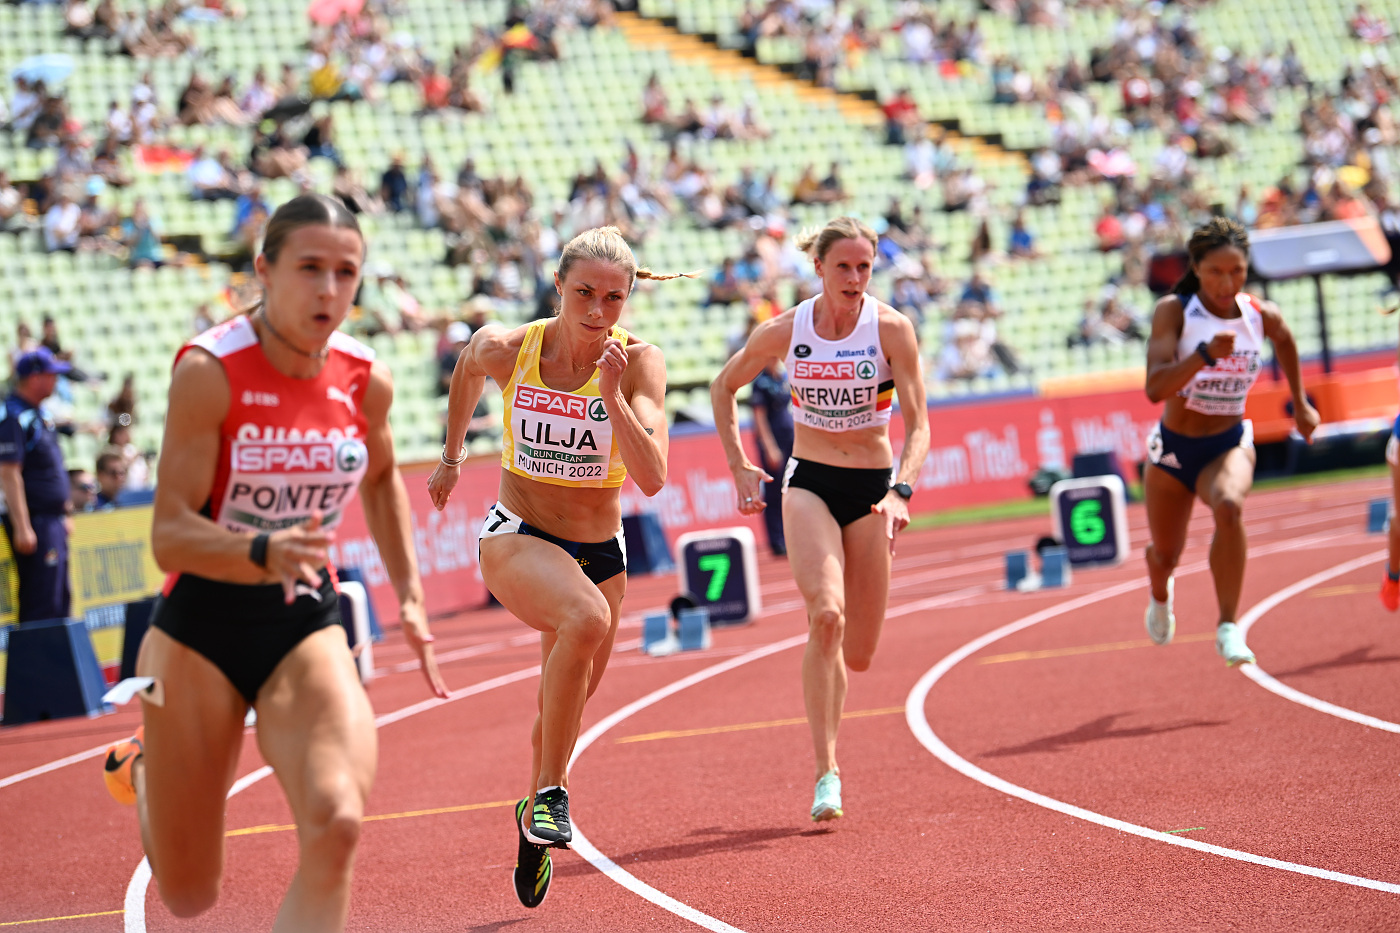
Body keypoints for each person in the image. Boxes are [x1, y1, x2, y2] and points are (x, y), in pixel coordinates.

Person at [100, 195, 448, 933]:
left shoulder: (364, 377)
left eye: (346, 272)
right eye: (309, 268)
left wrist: (410, 596)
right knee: (189, 893)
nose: (328, 290)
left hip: (302, 618)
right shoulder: (210, 370)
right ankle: (145, 774)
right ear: (264, 269)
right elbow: (169, 537)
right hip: (201, 624)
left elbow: (383, 477)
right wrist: (261, 547)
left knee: (339, 819)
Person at [427, 226, 683, 909]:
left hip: (601, 550)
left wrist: (614, 396)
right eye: (584, 293)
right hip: (519, 532)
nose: (598, 311)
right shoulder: (513, 348)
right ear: (558, 287)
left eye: (613, 298)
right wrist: (453, 455)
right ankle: (551, 794)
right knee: (584, 618)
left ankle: (532, 819)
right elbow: (466, 367)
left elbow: (654, 478)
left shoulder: (640, 362)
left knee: (557, 711)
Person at [711, 216, 930, 822]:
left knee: (858, 654)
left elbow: (920, 423)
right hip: (807, 479)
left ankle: (832, 727)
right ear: (819, 268)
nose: (856, 278)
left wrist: (901, 491)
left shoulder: (892, 330)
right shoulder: (786, 330)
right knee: (825, 616)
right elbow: (723, 387)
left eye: (865, 267)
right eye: (844, 267)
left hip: (870, 489)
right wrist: (738, 464)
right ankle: (826, 770)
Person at [1143, 217, 1318, 666]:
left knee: (1229, 506)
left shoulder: (1261, 314)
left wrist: (1300, 403)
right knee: (1165, 554)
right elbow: (1155, 388)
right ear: (1197, 268)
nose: (1227, 282)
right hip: (1174, 450)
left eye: (1237, 271)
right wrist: (1203, 356)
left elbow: (1286, 341)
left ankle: (1227, 626)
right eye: (1217, 272)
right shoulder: (1175, 311)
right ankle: (1160, 596)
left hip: (1227, 442)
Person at [0, 348, 74, 624]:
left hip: (51, 521)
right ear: (34, 378)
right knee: (41, 604)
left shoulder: (39, 414)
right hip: (36, 521)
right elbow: (9, 473)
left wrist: (64, 512)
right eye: (51, 375)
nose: (56, 381)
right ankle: (37, 666)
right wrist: (22, 525)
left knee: (59, 600)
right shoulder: (13, 416)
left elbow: (52, 466)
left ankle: (56, 665)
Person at [748, 359, 793, 556]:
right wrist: (769, 447)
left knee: (791, 489)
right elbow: (759, 418)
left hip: (790, 437)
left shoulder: (784, 376)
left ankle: (791, 535)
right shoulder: (761, 382)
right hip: (773, 440)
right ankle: (777, 539)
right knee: (775, 490)